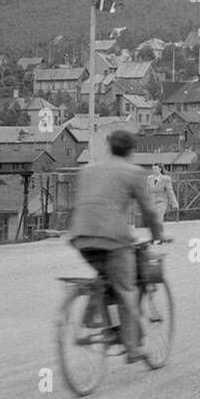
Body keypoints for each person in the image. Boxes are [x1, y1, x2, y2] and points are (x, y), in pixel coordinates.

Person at [69, 129, 167, 364]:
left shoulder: (87, 169)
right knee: (126, 289)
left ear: (109, 147)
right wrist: (158, 234)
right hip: (113, 240)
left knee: (106, 278)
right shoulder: (133, 172)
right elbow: (149, 210)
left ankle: (104, 324)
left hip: (81, 237)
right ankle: (132, 348)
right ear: (131, 151)